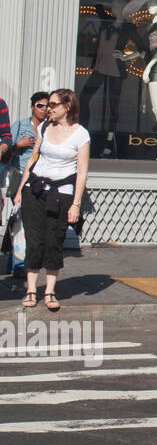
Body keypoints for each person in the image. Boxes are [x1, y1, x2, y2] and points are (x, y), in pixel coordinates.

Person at [14, 89, 90, 312]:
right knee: (34, 240)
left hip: (62, 193)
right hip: (35, 189)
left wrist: (76, 203)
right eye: (47, 105)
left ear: (67, 107)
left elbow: (82, 172)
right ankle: (31, 289)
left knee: (54, 241)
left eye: (54, 104)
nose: (49, 108)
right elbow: (33, 160)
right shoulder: (45, 127)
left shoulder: (80, 134)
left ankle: (49, 291)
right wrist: (20, 189)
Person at [8, 92, 50, 276]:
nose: (44, 109)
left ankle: (24, 262)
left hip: (41, 181)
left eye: (47, 106)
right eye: (40, 105)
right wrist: (19, 144)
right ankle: (18, 264)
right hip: (19, 178)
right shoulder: (20, 126)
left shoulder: (51, 128)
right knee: (19, 222)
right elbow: (6, 152)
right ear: (32, 107)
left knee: (32, 223)